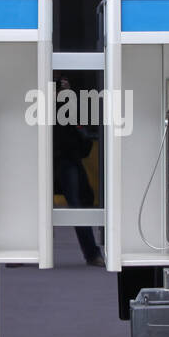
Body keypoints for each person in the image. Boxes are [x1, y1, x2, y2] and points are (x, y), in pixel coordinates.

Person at [53, 77, 103, 267]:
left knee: (80, 202)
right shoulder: (47, 104)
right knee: (76, 203)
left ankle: (92, 253)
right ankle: (91, 254)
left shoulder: (67, 104)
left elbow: (76, 124)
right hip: (61, 157)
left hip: (68, 157)